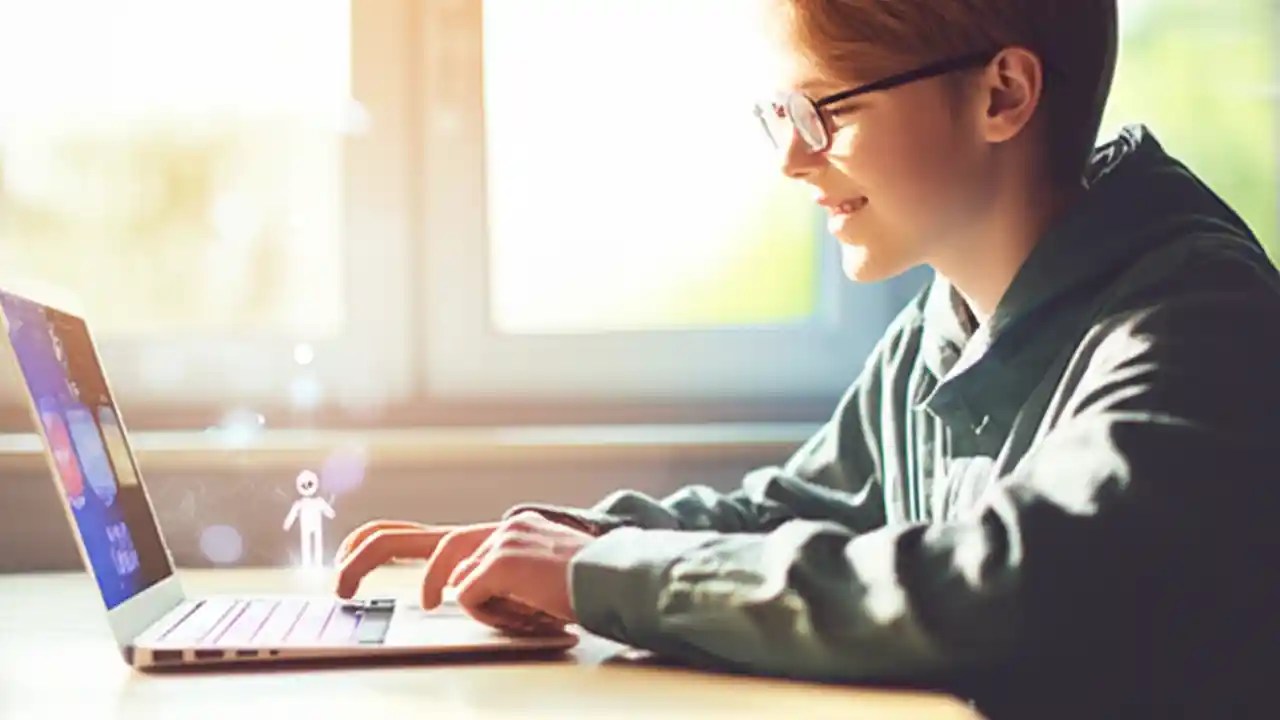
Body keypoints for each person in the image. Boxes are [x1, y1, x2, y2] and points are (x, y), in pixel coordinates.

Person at [334, 1, 1280, 715]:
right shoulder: (944, 321)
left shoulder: (1198, 320)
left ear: (1004, 94)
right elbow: (793, 512)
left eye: (823, 109)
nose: (791, 156)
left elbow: (1009, 586)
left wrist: (607, 574)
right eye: (780, 112)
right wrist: (563, 540)